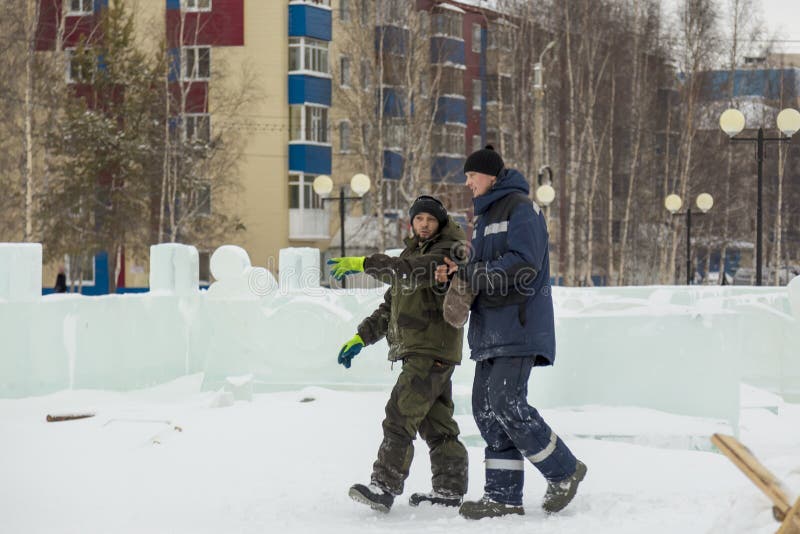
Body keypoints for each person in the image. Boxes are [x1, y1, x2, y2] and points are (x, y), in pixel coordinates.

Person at [436, 145, 587, 519]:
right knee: (485, 410)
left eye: (472, 176)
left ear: (490, 176)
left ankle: (564, 471)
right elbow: (485, 267)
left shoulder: (522, 208)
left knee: (507, 403)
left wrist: (472, 273)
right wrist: (456, 274)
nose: (468, 183)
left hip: (518, 325)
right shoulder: (485, 217)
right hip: (490, 329)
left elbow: (524, 264)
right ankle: (503, 496)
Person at [328, 195, 469, 514]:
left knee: (400, 415)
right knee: (437, 425)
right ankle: (449, 488)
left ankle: (385, 485)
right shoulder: (412, 252)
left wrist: (365, 263)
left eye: (430, 220)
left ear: (440, 224)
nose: (423, 224)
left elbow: (410, 271)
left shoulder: (446, 251)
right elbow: (391, 306)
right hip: (425, 350)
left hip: (431, 347)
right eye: (418, 219)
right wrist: (361, 337)